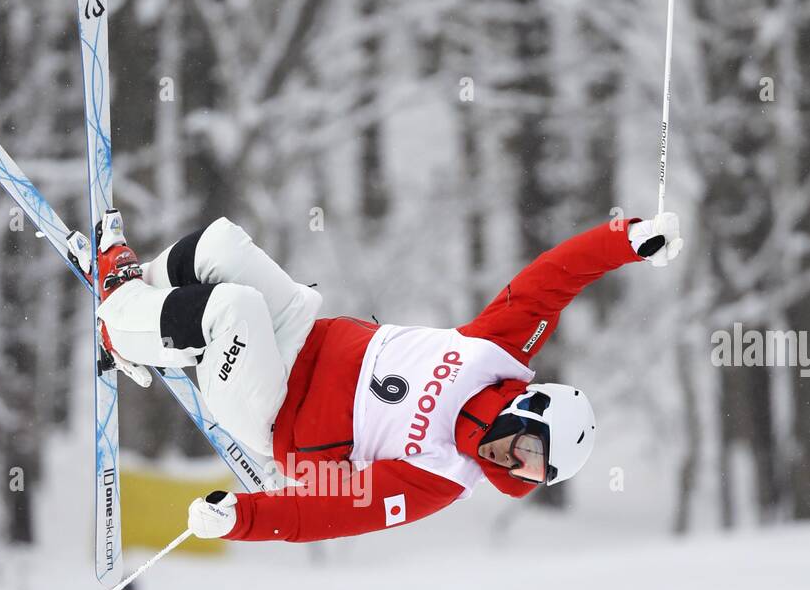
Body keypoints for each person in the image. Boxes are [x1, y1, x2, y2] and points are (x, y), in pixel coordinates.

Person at [75, 208, 684, 544]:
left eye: (531, 472)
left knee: (232, 311)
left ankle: (117, 322)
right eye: (528, 449)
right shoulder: (496, 352)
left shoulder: (442, 476)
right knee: (218, 247)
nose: (514, 464)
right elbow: (552, 281)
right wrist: (625, 242)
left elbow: (341, 508)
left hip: (273, 411)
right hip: (303, 334)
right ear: (529, 411)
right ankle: (135, 302)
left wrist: (246, 517)